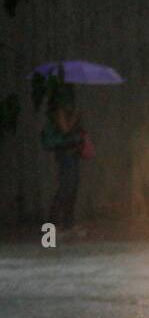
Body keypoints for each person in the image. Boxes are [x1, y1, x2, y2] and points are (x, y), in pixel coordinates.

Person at [41, 100, 88, 237]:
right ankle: (53, 226)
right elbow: (65, 129)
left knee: (71, 189)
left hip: (70, 154)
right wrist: (75, 117)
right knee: (66, 189)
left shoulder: (61, 109)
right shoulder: (59, 110)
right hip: (66, 154)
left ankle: (68, 224)